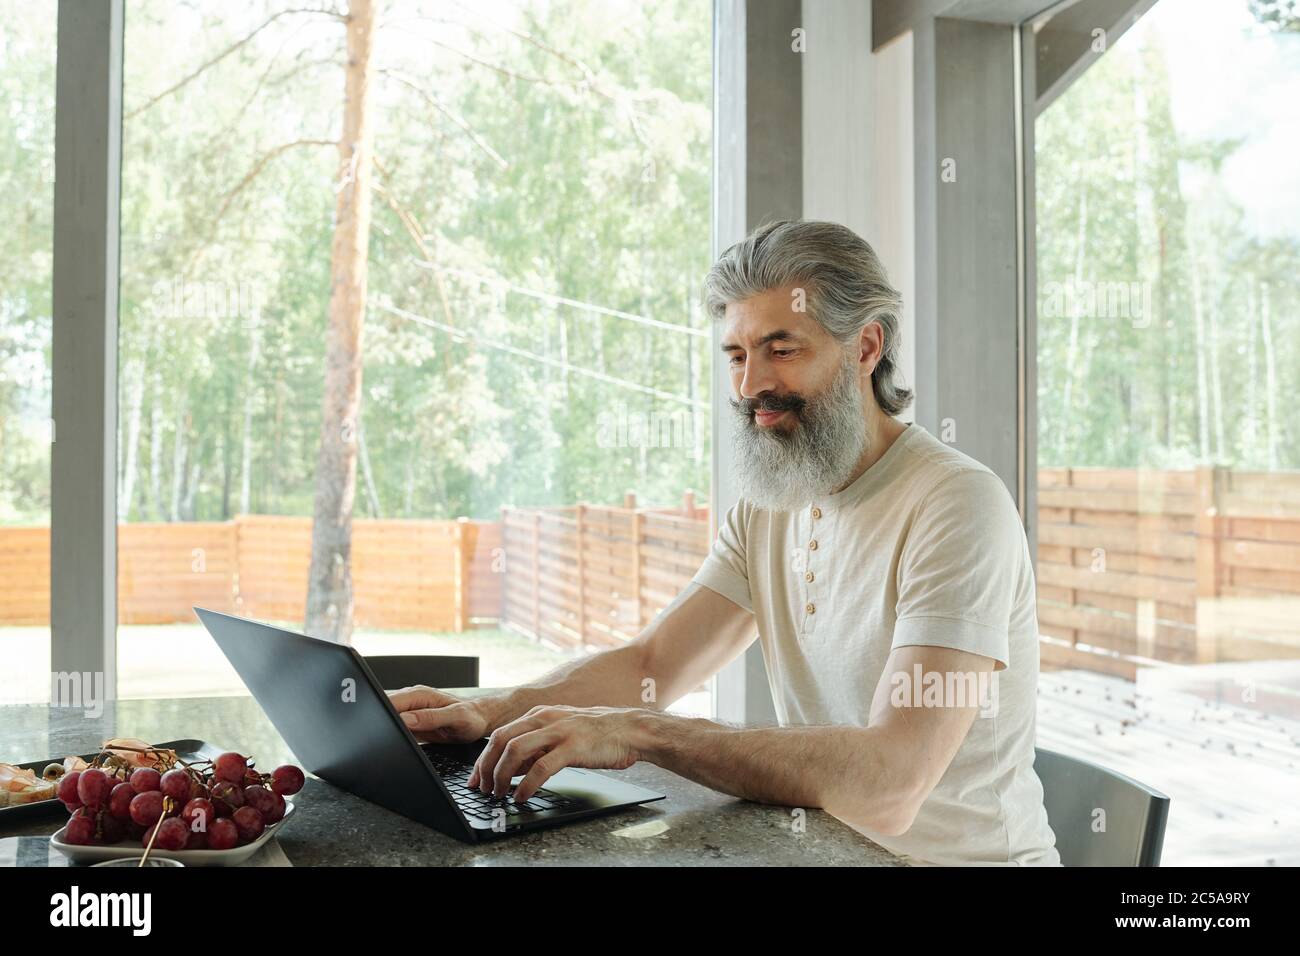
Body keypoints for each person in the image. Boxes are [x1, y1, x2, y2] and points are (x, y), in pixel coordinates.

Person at [389, 219, 1060, 865]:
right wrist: (488, 710)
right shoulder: (774, 499)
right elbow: (653, 665)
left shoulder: (956, 505)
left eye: (781, 349)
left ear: (865, 347)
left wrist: (639, 734)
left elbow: (890, 786)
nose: (750, 386)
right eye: (737, 355)